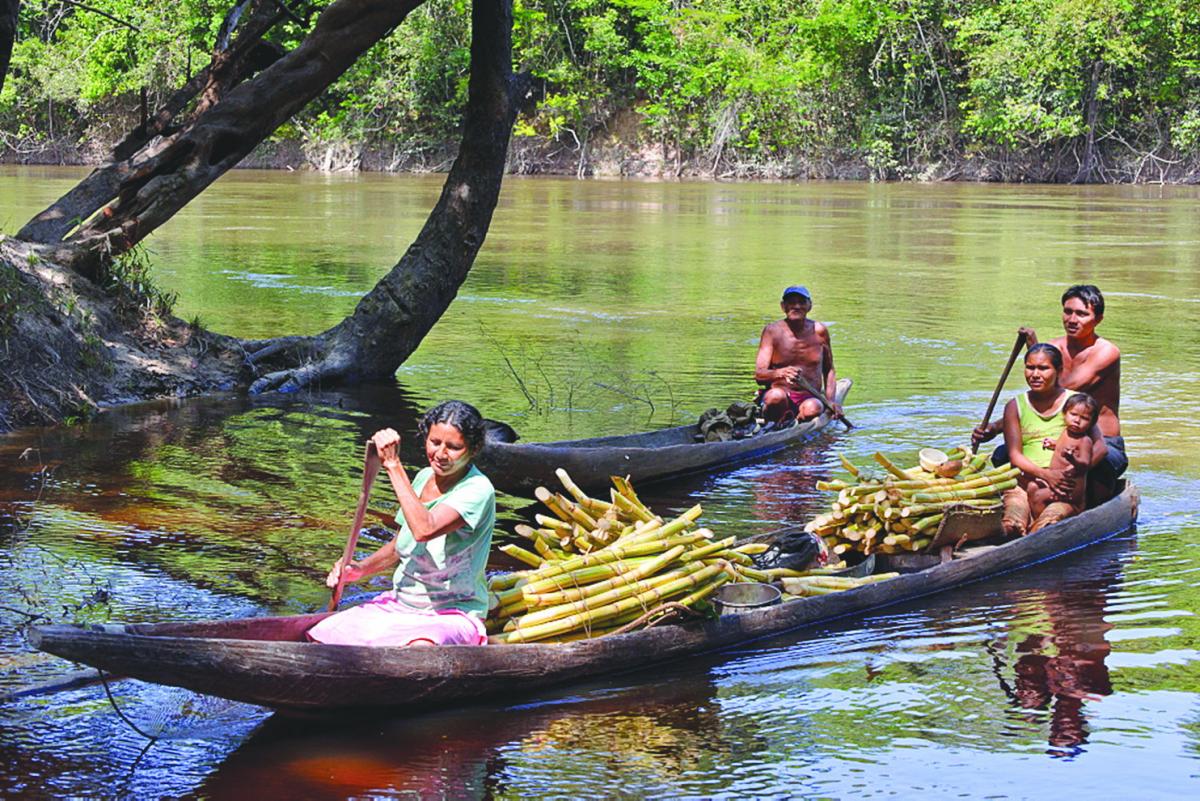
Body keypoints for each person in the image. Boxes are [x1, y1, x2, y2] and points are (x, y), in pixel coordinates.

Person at [307, 400, 496, 647]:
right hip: (400, 604)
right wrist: (360, 569)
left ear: (473, 449)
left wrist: (393, 466)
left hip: (450, 613)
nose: (440, 454)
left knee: (419, 650)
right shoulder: (423, 477)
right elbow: (401, 544)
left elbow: (424, 529)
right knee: (323, 633)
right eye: (434, 442)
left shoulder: (478, 490)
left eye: (453, 447)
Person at [974, 285, 1126, 505]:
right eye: (1068, 311)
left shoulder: (1106, 352)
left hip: (1101, 441)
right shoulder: (1053, 348)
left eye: (1082, 314)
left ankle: (1081, 503)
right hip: (1055, 436)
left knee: (1095, 464)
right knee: (1003, 454)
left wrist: (1034, 348)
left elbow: (1063, 391)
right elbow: (1040, 395)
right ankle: (1031, 498)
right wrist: (995, 429)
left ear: (1098, 319)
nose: (1072, 319)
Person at [754, 285, 841, 425]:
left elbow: (829, 370)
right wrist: (780, 373)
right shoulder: (772, 332)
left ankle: (796, 422)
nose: (796, 306)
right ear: (783, 306)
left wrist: (831, 402)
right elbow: (759, 375)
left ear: (809, 306)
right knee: (775, 397)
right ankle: (777, 422)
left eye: (801, 302)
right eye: (791, 302)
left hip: (809, 398)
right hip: (780, 395)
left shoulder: (820, 331)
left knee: (813, 408)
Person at [1027, 392, 1098, 532]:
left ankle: (1037, 527)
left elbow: (1084, 464)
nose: (1077, 421)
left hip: (1070, 490)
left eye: (1084, 418)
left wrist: (1072, 459)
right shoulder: (1065, 432)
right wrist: (1053, 444)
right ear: (1064, 414)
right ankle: (1037, 519)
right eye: (1073, 414)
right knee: (1032, 486)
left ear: (1091, 423)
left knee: (1038, 496)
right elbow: (1061, 446)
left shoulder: (1085, 441)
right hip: (1056, 482)